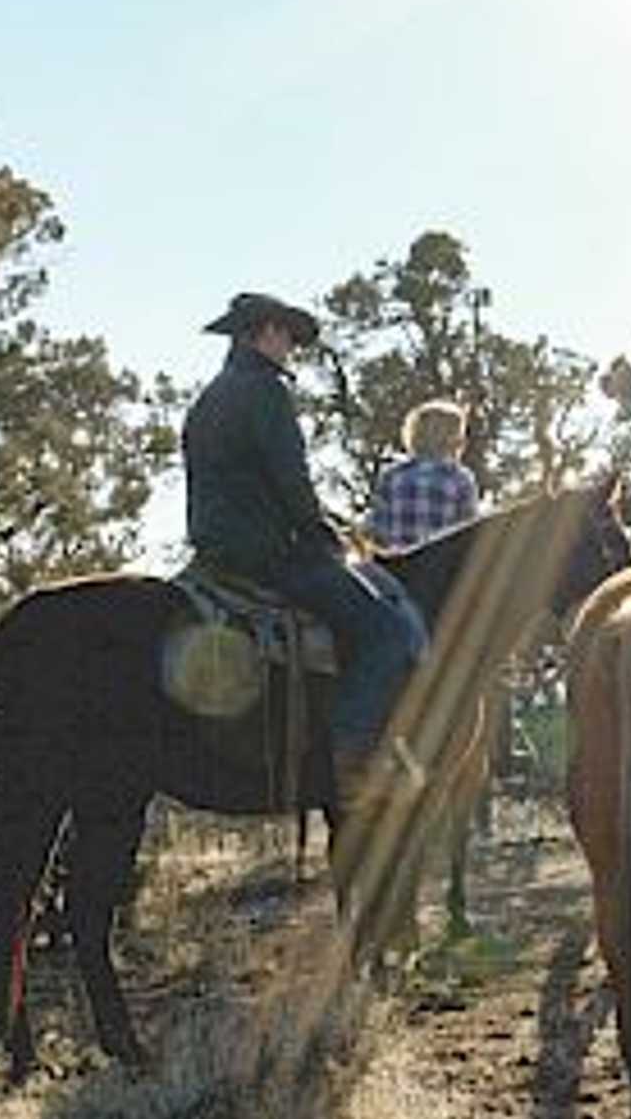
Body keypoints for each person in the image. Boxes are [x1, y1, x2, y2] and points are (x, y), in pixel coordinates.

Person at [183, 291, 414, 770]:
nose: (289, 348)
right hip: (270, 552)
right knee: (388, 632)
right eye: (286, 336)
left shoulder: (209, 398)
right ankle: (353, 758)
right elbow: (290, 480)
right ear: (265, 332)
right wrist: (323, 533)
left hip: (213, 553)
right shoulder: (265, 391)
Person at [369, 399, 479, 550]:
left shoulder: (392, 475)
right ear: (456, 441)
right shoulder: (459, 479)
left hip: (395, 567)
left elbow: (377, 531)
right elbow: (469, 534)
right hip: (439, 566)